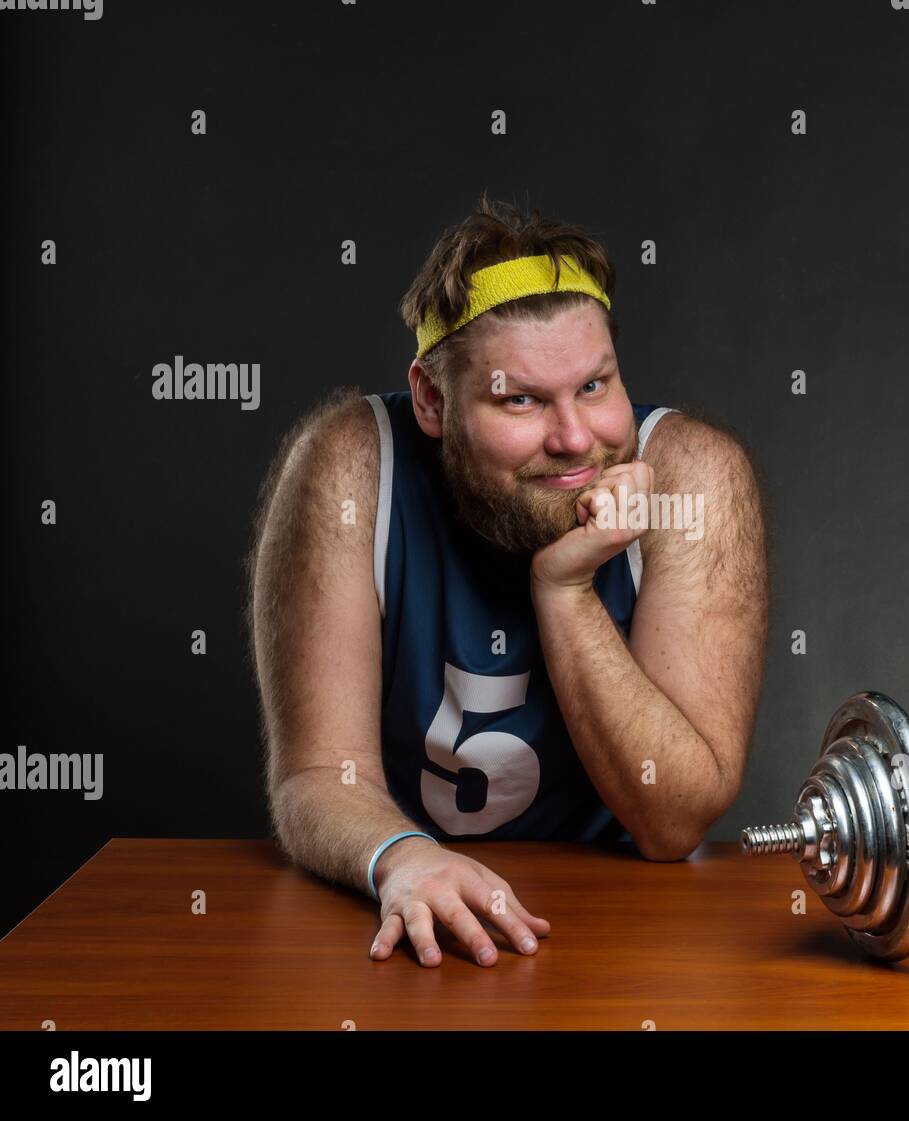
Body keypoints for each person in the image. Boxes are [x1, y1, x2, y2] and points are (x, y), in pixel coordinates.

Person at [244, 195, 769, 969]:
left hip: (626, 932)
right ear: (431, 398)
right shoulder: (349, 466)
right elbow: (317, 774)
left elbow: (672, 820)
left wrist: (566, 593)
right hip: (402, 927)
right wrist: (403, 858)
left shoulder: (694, 476)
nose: (574, 439)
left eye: (594, 385)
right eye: (519, 398)